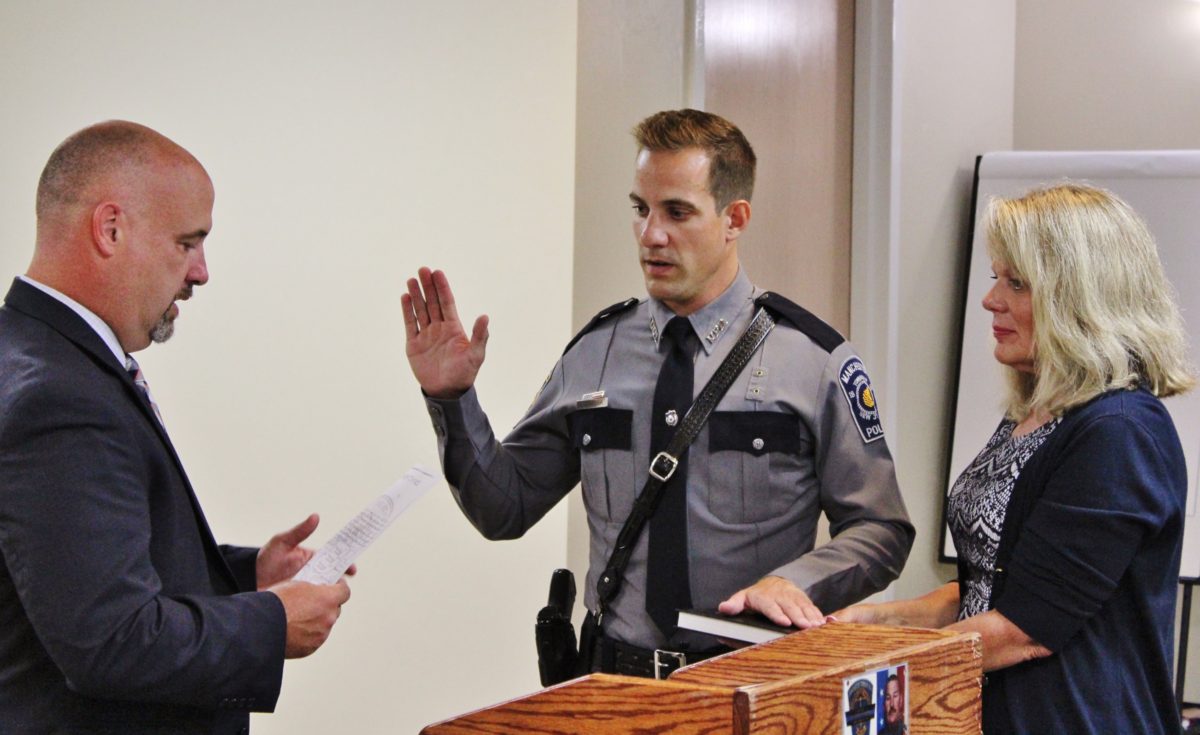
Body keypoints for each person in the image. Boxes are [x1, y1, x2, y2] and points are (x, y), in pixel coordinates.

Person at [403, 108, 913, 678]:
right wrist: (451, 398)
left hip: (748, 683)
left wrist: (794, 585)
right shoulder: (596, 353)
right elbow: (506, 507)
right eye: (641, 210)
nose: (652, 235)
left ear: (734, 218)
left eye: (678, 212)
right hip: (613, 684)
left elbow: (881, 528)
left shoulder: (813, 360)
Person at [0, 121, 352, 733]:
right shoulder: (57, 395)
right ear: (110, 230)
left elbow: (68, 568)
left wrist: (246, 577)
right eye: (188, 243)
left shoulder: (33, 353)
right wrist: (270, 623)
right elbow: (110, 640)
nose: (201, 272)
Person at [834, 183, 1193, 734]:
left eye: (1017, 283)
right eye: (996, 276)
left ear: (1079, 297)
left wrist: (866, 676)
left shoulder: (1119, 432)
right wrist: (872, 622)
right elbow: (993, 587)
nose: (990, 299)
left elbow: (1026, 629)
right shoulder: (1039, 413)